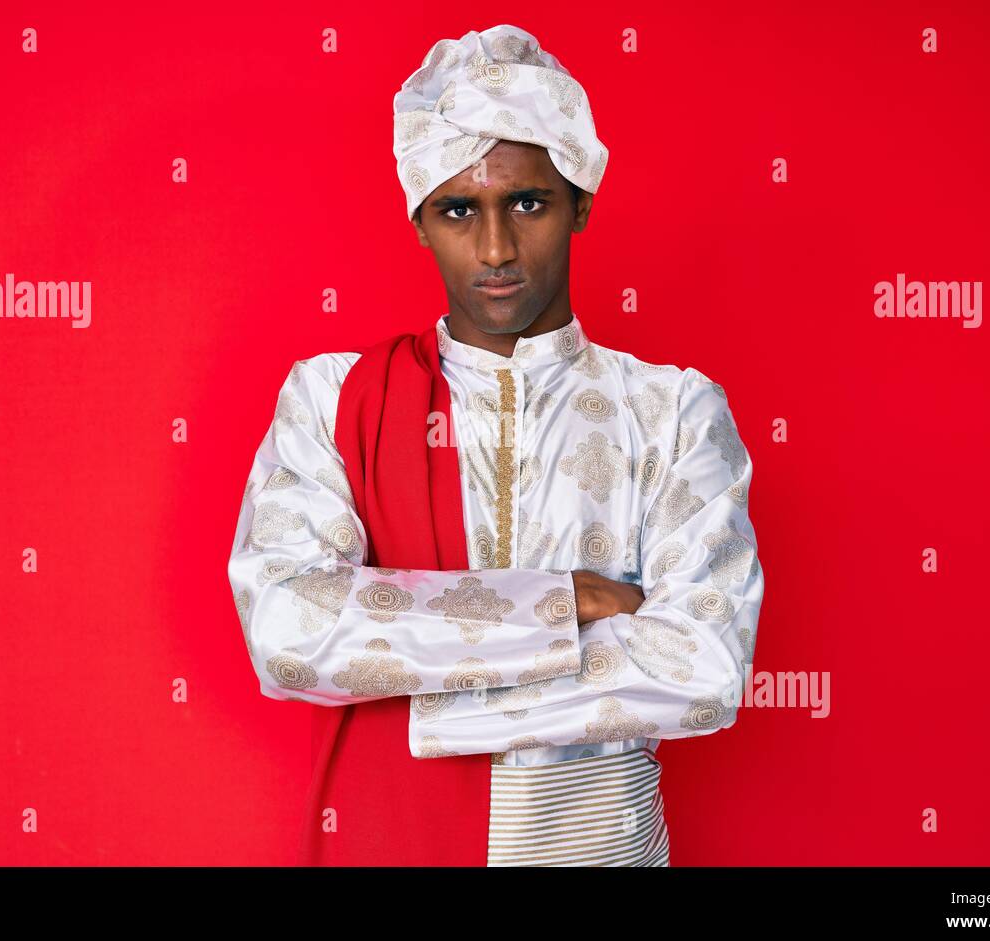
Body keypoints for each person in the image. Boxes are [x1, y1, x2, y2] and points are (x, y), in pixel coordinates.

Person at [226, 24, 764, 867]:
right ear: (418, 221)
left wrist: (425, 705)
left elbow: (703, 667)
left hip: (604, 848)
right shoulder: (334, 399)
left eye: (526, 202)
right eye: (457, 210)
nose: (496, 249)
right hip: (394, 840)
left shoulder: (673, 411)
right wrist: (558, 604)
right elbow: (290, 632)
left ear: (581, 200)